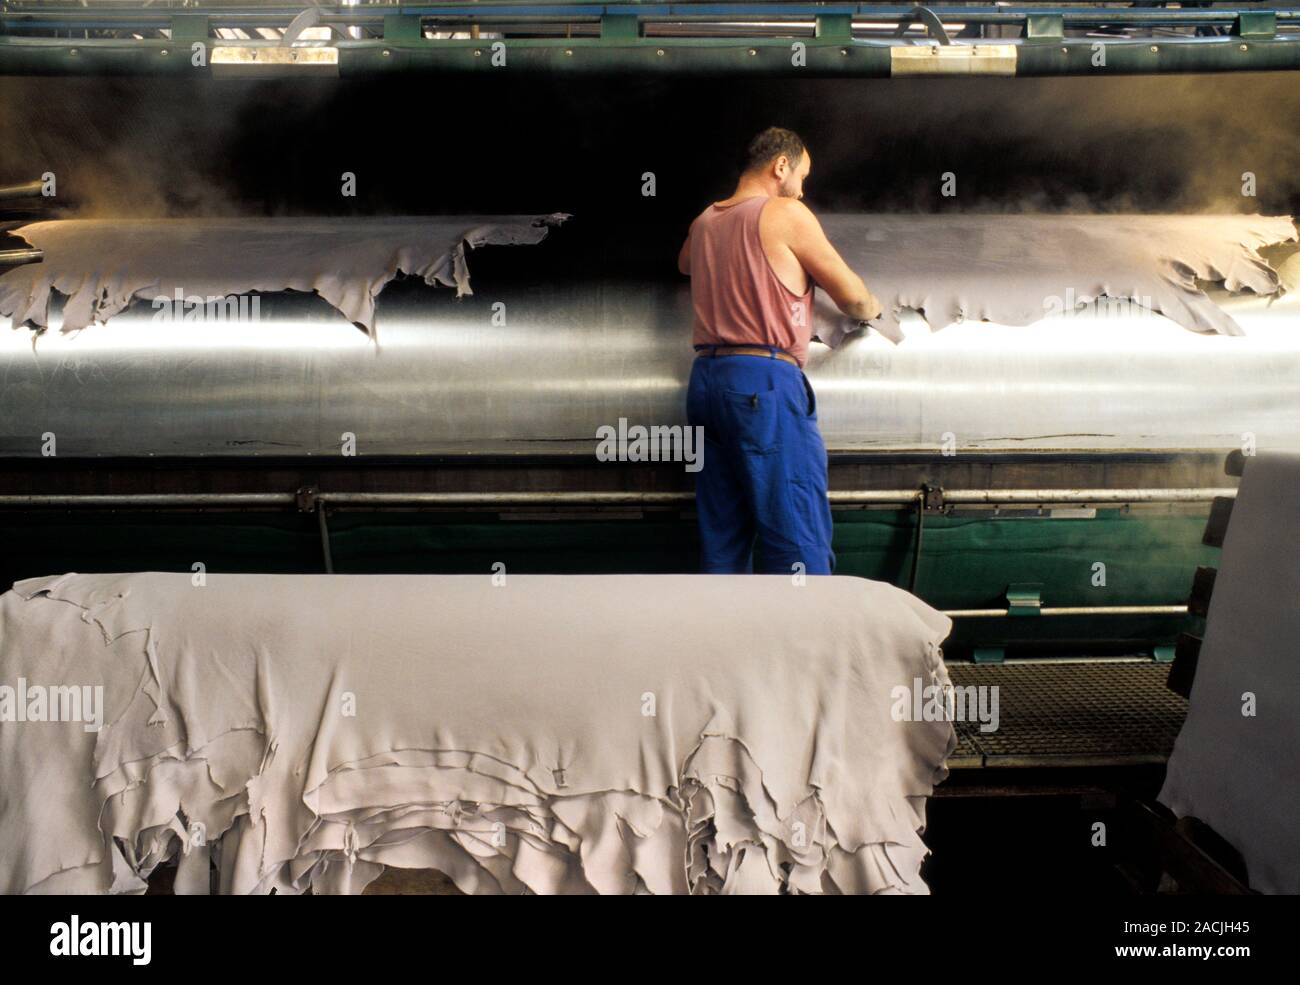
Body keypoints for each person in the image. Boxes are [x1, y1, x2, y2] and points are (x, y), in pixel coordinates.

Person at [678, 126, 883, 574]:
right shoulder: (786, 213)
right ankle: (807, 639)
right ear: (781, 165)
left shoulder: (705, 221)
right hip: (763, 383)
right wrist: (872, 306)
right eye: (802, 175)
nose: (803, 189)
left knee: (723, 533)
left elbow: (686, 263)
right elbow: (850, 296)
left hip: (706, 384)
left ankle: (728, 638)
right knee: (794, 525)